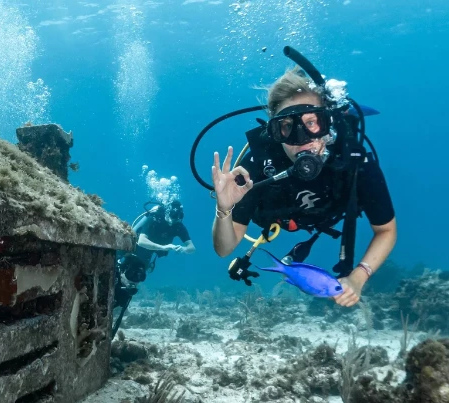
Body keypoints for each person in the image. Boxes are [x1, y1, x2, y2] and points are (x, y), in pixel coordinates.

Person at [209, 67, 396, 308]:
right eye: (287, 126)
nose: (302, 138)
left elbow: (386, 230)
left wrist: (358, 277)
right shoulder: (255, 169)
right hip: (283, 220)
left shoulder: (354, 161)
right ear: (275, 132)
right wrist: (223, 209)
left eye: (311, 122)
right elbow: (224, 249)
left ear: (327, 122)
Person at [132, 200, 196, 274]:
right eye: (173, 215)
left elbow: (192, 248)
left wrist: (183, 249)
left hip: (148, 253)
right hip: (133, 245)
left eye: (179, 216)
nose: (175, 219)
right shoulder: (155, 218)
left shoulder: (178, 226)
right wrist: (163, 247)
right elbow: (141, 241)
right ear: (168, 212)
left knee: (137, 276)